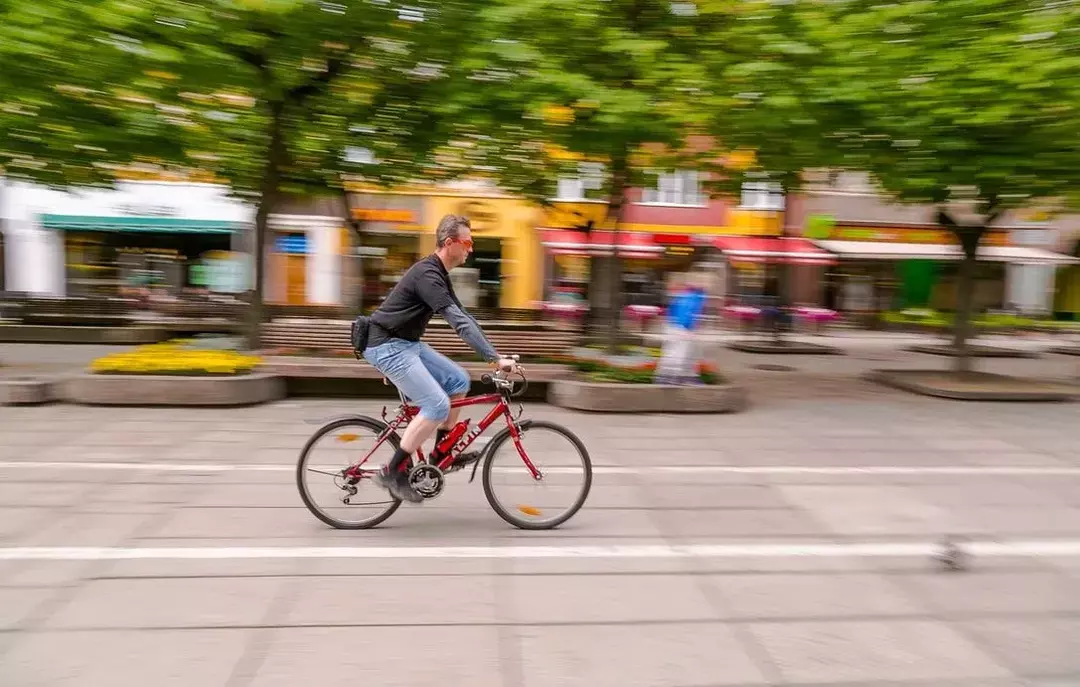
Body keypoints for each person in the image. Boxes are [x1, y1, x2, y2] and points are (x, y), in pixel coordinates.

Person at [362, 214, 518, 503]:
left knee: (458, 379)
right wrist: (495, 359)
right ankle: (392, 471)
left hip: (405, 344)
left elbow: (465, 318)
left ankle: (441, 454)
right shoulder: (428, 275)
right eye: (468, 242)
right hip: (387, 346)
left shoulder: (438, 274)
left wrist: (495, 353)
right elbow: (458, 322)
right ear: (450, 243)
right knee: (436, 404)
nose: (470, 249)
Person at [655, 273, 708, 385]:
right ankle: (671, 376)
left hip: (675, 326)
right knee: (679, 352)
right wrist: (686, 328)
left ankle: (673, 376)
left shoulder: (689, 295)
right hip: (680, 328)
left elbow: (678, 311)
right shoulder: (693, 296)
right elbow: (686, 312)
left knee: (681, 352)